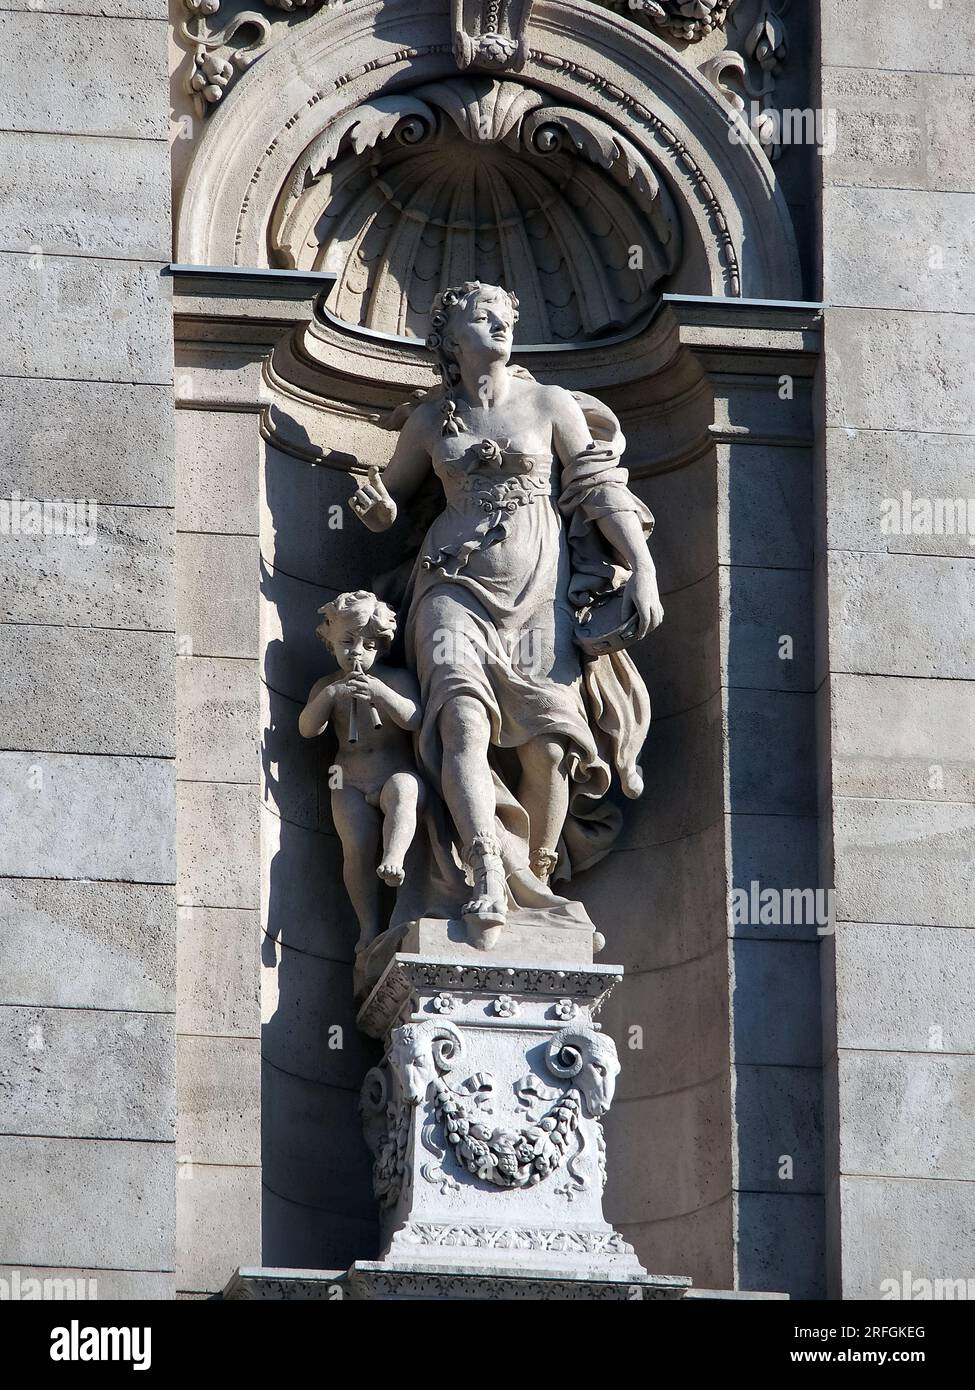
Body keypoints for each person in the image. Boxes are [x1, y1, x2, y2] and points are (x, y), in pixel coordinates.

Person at [349, 281, 663, 939]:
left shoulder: (547, 405)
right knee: (459, 724)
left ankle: (537, 882)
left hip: (538, 592)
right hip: (450, 587)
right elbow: (391, 500)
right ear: (448, 338)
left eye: (505, 314)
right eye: (480, 313)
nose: (499, 321)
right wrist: (375, 509)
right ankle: (486, 869)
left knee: (549, 746)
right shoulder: (431, 421)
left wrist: (643, 570)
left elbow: (598, 487)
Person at [298, 590, 424, 950]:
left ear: (381, 647)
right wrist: (330, 697)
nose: (357, 651)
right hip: (347, 780)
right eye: (348, 642)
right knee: (355, 848)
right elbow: (308, 728)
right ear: (330, 640)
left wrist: (382, 694)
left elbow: (415, 718)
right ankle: (368, 926)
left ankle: (395, 857)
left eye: (368, 645)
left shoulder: (394, 680)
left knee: (405, 790)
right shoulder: (327, 686)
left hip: (392, 772)